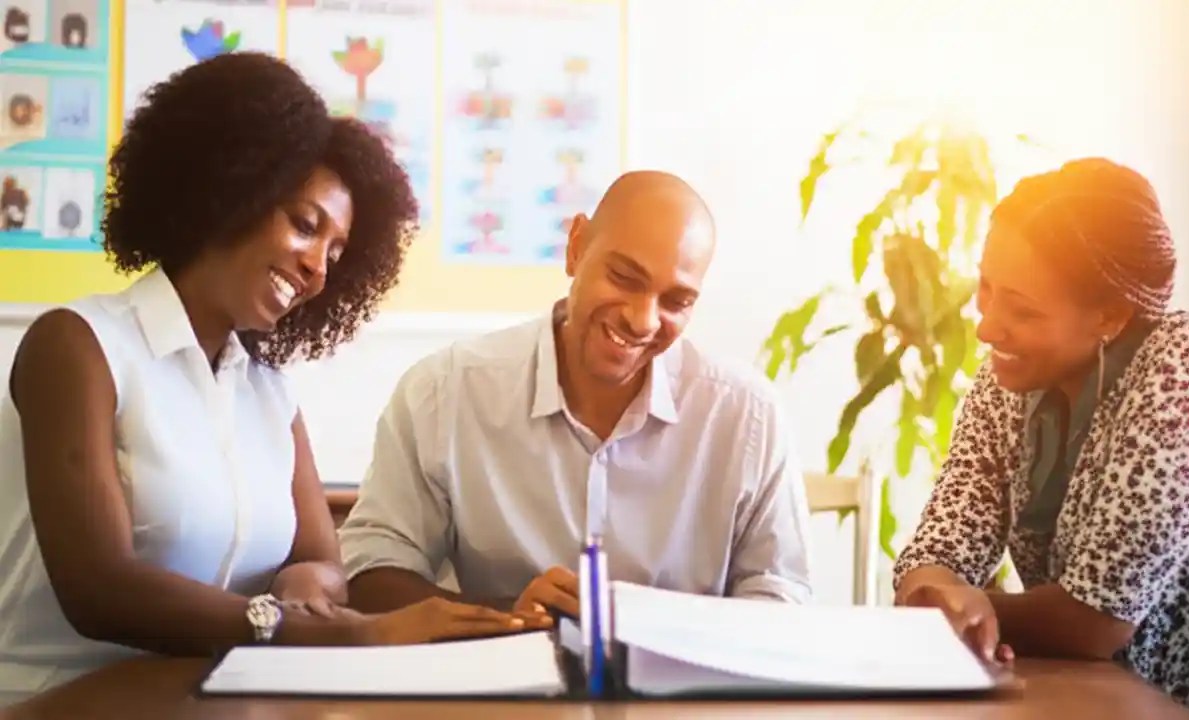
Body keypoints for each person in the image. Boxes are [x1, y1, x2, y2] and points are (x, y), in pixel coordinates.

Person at [0, 52, 545, 707]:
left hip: (210, 698)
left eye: (336, 254)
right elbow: (99, 589)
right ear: (231, 189)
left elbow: (321, 559)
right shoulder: (78, 347)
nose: (318, 269)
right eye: (305, 225)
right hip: (59, 699)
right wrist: (328, 635)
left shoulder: (266, 390)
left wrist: (306, 591)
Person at [893, 157, 1189, 720]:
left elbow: (1098, 620)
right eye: (986, 285)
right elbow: (940, 547)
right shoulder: (1006, 379)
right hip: (1087, 702)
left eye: (1021, 308)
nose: (986, 326)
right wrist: (936, 590)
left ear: (1111, 315)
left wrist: (964, 611)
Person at [339, 170, 812, 616]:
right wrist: (510, 615)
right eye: (625, 278)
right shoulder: (445, 393)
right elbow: (370, 569)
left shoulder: (747, 417)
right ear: (575, 248)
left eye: (676, 302)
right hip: (506, 696)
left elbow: (781, 597)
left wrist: (666, 625)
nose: (642, 320)